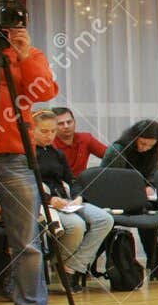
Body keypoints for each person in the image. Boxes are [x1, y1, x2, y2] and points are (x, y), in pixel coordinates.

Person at [0, 21, 59, 305]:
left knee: (27, 240)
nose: (8, 31)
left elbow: (45, 90)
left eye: (15, 25)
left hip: (14, 157)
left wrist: (22, 55)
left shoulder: (29, 54)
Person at [31, 110, 112, 291]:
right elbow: (26, 186)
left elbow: (72, 180)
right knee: (76, 226)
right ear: (32, 130)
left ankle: (70, 268)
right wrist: (51, 200)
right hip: (45, 202)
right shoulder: (26, 155)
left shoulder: (58, 154)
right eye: (44, 131)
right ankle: (57, 264)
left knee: (105, 219)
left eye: (52, 131)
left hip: (66, 200)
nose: (50, 135)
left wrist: (78, 197)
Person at [103, 118, 158, 280]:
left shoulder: (153, 151)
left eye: (149, 145)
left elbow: (152, 176)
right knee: (146, 212)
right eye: (142, 143)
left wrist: (149, 186)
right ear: (134, 138)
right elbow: (111, 180)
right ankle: (154, 262)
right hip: (118, 198)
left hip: (142, 196)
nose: (145, 148)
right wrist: (138, 189)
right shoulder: (118, 149)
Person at [50, 106, 107, 175]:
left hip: (83, 183)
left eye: (69, 122)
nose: (66, 126)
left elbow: (111, 156)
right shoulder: (48, 144)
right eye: (60, 123)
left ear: (74, 122)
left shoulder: (86, 138)